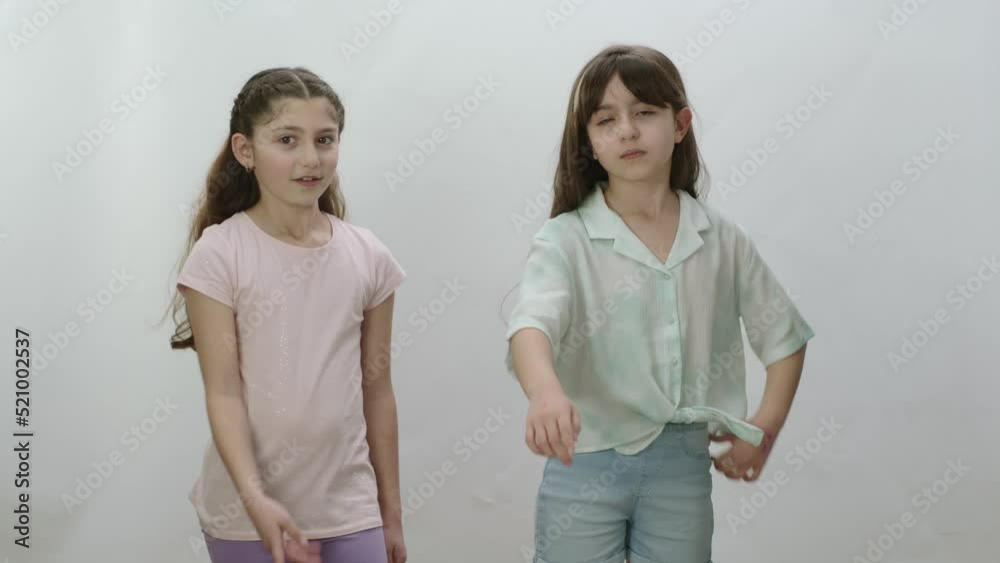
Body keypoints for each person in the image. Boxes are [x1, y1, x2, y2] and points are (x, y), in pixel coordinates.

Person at [505, 45, 815, 563]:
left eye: (644, 113)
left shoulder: (720, 238)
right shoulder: (565, 239)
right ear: (590, 143)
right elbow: (532, 323)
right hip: (584, 462)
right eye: (606, 120)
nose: (627, 130)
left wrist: (765, 427)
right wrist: (544, 393)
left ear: (680, 124)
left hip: (681, 467)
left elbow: (784, 335)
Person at [167, 67, 407, 563]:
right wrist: (257, 503)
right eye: (287, 140)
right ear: (245, 150)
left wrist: (391, 516)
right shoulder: (220, 255)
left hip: (351, 510)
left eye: (325, 140)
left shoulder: (369, 256)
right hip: (245, 517)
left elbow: (377, 392)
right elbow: (225, 394)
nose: (310, 159)